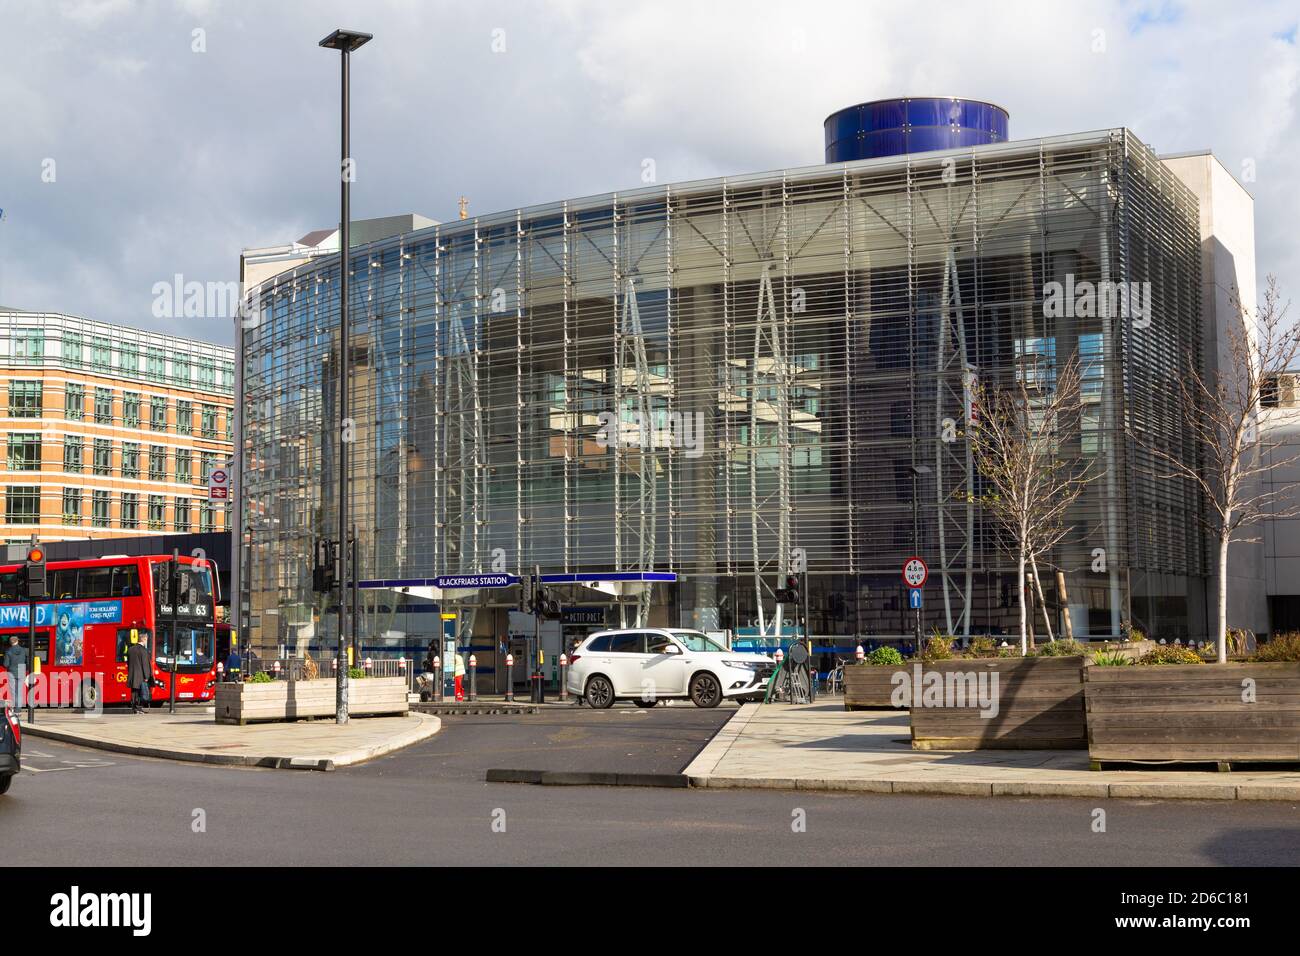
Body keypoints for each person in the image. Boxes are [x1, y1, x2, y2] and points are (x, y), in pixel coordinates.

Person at [127, 632, 151, 714]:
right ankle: (139, 708)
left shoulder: (130, 649)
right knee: (141, 692)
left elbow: (128, 663)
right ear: (144, 639)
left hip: (132, 675)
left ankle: (134, 708)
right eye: (146, 639)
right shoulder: (143, 650)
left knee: (134, 692)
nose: (147, 641)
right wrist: (147, 676)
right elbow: (145, 664)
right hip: (141, 676)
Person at [4, 636, 28, 711]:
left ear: (10, 642)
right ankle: (19, 708)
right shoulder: (24, 650)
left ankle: (15, 707)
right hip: (21, 669)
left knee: (13, 690)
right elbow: (27, 661)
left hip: (11, 671)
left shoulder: (8, 651)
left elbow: (6, 664)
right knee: (19, 690)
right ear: (17, 641)